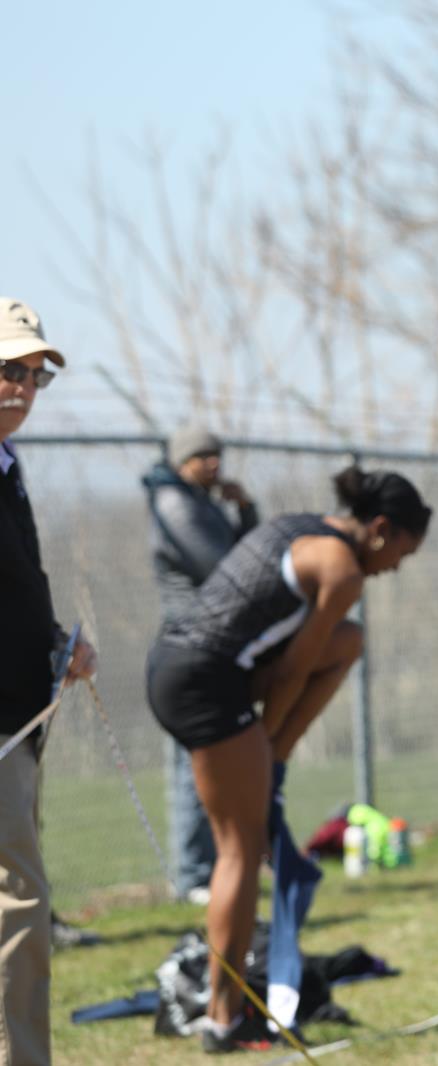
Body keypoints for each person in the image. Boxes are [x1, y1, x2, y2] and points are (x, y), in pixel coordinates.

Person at [147, 466, 430, 1051]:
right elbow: (295, 667)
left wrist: (269, 749)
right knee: (241, 852)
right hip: (204, 682)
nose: (398, 567)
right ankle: (225, 1019)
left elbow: (311, 650)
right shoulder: (344, 570)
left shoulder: (304, 527)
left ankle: (274, 756)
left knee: (349, 641)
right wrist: (267, 749)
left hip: (178, 664)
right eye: (401, 552)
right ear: (379, 529)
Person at [0, 297, 98, 1066]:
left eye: (35, 375)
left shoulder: (10, 465)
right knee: (18, 902)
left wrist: (60, 643)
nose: (24, 387)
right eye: (9, 369)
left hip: (22, 720)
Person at [143, 425, 260, 904]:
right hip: (191, 647)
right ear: (180, 461)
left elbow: (249, 559)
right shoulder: (175, 504)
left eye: (218, 453)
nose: (214, 463)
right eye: (202, 456)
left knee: (221, 763)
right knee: (197, 765)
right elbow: (228, 569)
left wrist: (246, 509)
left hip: (219, 645)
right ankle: (193, 875)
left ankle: (216, 866)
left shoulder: (201, 501)